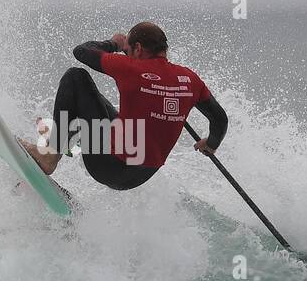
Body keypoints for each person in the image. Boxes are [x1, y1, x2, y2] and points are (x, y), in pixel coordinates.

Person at [20, 21, 228, 190]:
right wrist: (211, 143)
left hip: (109, 166)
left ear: (138, 48)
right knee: (101, 104)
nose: (126, 54)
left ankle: (50, 155)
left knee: (75, 78)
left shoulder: (131, 68)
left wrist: (114, 43)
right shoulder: (190, 79)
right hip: (141, 175)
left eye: (128, 50)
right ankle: (73, 136)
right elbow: (220, 119)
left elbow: (81, 51)